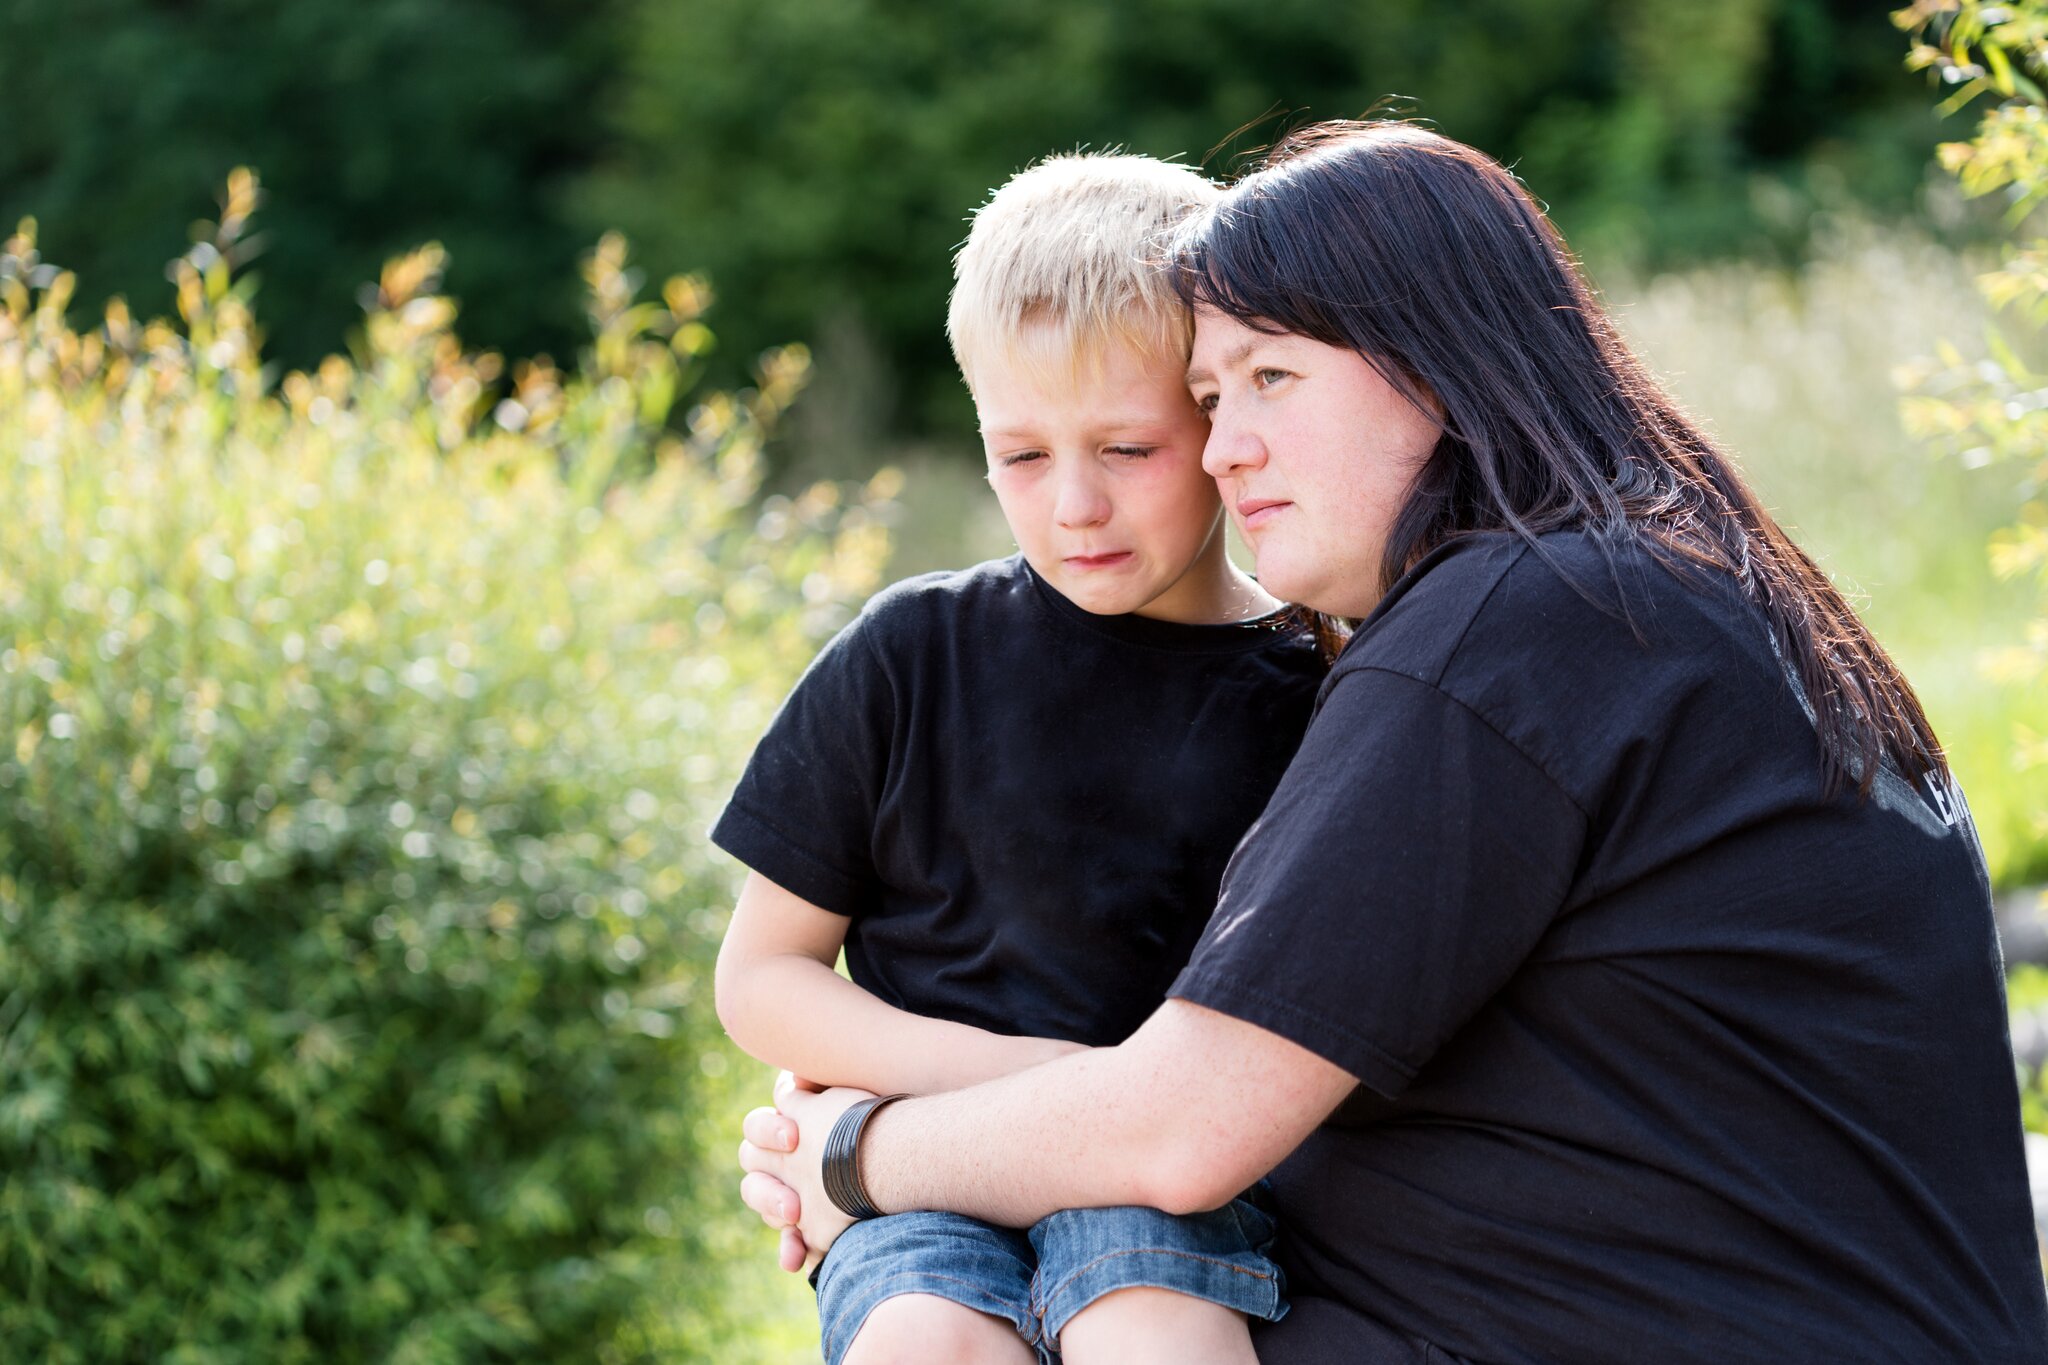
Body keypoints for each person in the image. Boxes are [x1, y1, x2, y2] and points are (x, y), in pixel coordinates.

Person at [737, 121, 2048, 1364]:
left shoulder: (1516, 631)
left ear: (1438, 360)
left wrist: (850, 1156)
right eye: (1209, 395)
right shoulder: (1659, 589)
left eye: (1269, 379)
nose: (1226, 449)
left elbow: (1180, 1128)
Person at [710, 153, 1327, 1365]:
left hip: (1169, 1186)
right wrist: (1013, 1076)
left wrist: (1117, 1111)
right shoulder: (908, 654)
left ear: (1216, 423)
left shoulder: (1317, 685)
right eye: (1022, 455)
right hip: (921, 1165)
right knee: (922, 1342)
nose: (1073, 506)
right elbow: (763, 977)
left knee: (1154, 1336)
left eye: (1127, 450)